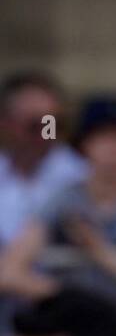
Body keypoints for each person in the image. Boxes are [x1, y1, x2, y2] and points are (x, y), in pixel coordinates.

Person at [1, 97, 116, 308]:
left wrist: (99, 252)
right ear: (84, 145)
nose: (114, 149)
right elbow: (9, 273)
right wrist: (72, 298)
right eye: (103, 138)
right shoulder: (65, 198)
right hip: (74, 326)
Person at [0, 72, 86, 250]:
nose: (47, 133)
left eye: (54, 124)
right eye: (34, 125)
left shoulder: (82, 175)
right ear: (6, 123)